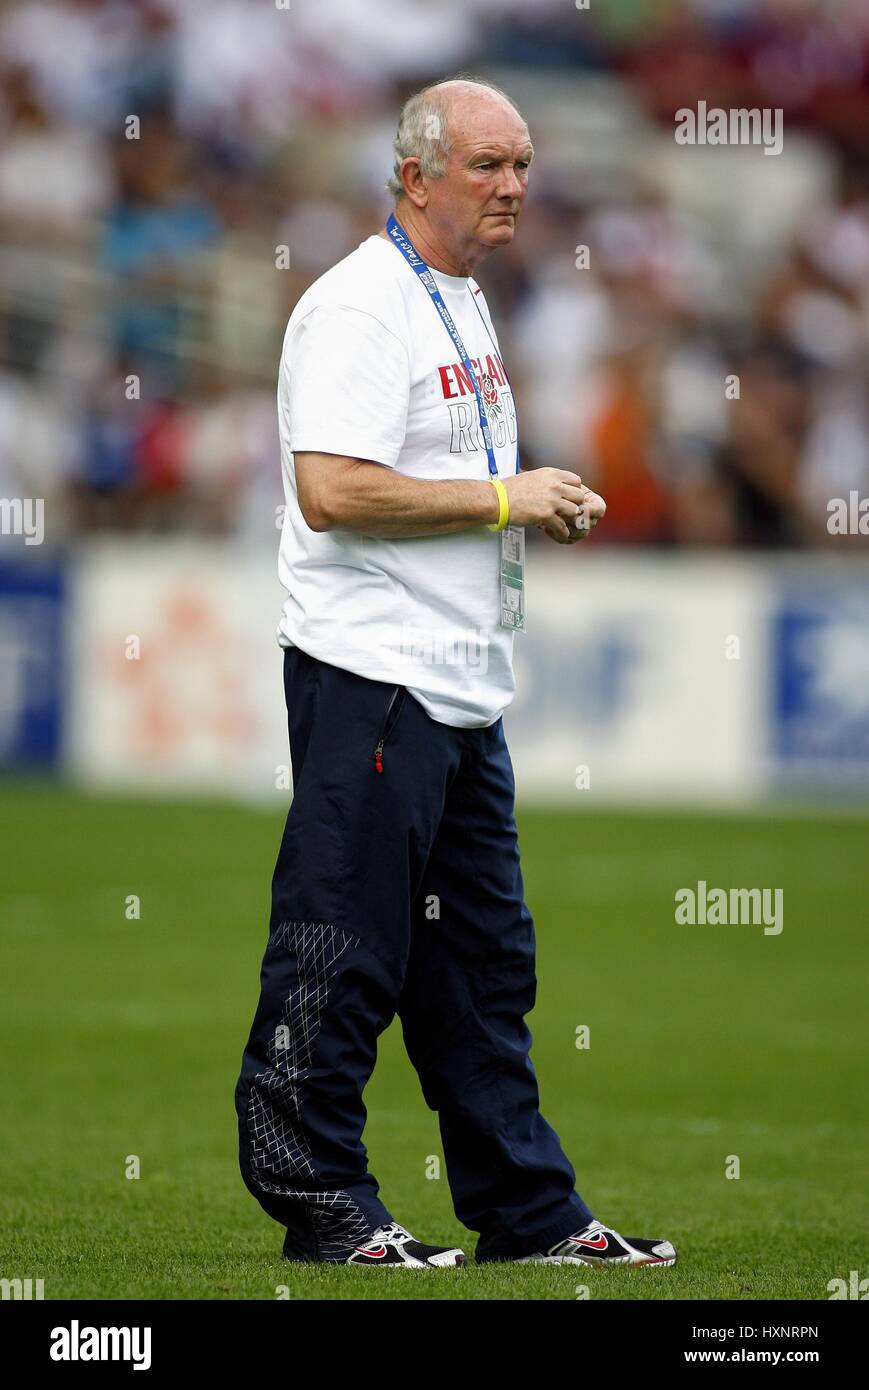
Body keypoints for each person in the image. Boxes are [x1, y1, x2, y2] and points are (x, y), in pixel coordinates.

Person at [234, 75, 677, 1270]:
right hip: (371, 674)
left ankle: (526, 1213)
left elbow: (435, 478)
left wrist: (531, 506)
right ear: (413, 175)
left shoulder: (460, 299)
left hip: (459, 687)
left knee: (483, 965)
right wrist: (502, 498)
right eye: (486, 165)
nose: (513, 186)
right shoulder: (358, 306)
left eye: (521, 164)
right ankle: (320, 1200)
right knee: (344, 944)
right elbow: (329, 489)